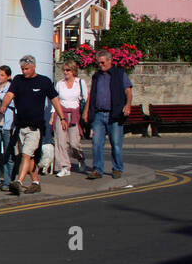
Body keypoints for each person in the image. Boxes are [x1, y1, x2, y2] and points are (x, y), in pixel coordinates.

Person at [0, 55, 66, 195]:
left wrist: (62, 117)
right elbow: (9, 94)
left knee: (26, 155)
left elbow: (54, 100)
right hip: (20, 126)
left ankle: (19, 181)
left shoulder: (44, 82)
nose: (24, 72)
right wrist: (4, 106)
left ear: (34, 66)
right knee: (27, 157)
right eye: (22, 69)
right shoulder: (18, 80)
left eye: (27, 69)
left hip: (35, 127)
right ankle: (36, 182)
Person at [84, 48, 133, 179]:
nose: (100, 65)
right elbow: (91, 94)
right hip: (98, 115)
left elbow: (128, 91)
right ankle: (97, 169)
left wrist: (128, 104)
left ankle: (117, 168)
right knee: (96, 143)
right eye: (98, 63)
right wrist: (86, 111)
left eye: (102, 62)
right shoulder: (96, 76)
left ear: (110, 60)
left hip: (114, 114)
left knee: (116, 144)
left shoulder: (119, 74)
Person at [53, 60, 85, 176]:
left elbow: (85, 99)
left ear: (73, 71)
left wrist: (85, 114)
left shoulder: (80, 83)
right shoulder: (59, 84)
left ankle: (81, 158)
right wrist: (53, 116)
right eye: (64, 70)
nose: (65, 72)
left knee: (74, 143)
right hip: (61, 114)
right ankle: (65, 167)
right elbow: (55, 100)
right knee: (61, 142)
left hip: (74, 115)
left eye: (68, 70)